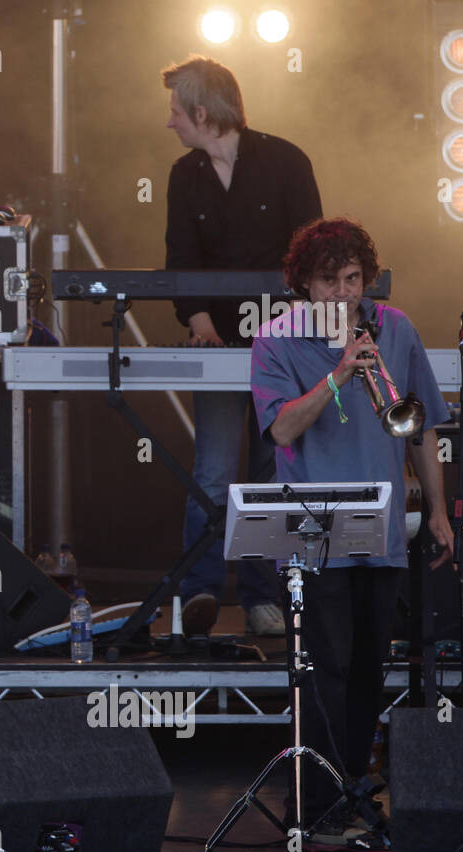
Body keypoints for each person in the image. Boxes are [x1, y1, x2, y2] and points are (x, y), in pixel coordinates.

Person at [251, 217, 454, 833]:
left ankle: (354, 794)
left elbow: (422, 427)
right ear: (303, 285)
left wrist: (440, 512)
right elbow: (282, 429)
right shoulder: (276, 339)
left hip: (383, 525)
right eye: (329, 281)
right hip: (311, 531)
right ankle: (312, 806)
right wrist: (338, 373)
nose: (344, 293)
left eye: (353, 279)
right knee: (322, 670)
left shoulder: (396, 328)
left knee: (369, 667)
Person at [163, 55, 322, 637]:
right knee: (212, 470)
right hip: (220, 348)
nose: (170, 123)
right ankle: (200, 593)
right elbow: (180, 259)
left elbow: (316, 257)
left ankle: (263, 596)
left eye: (176, 112)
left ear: (202, 112)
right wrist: (199, 316)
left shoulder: (286, 161)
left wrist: (294, 332)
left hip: (282, 348)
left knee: (269, 471)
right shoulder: (185, 177)